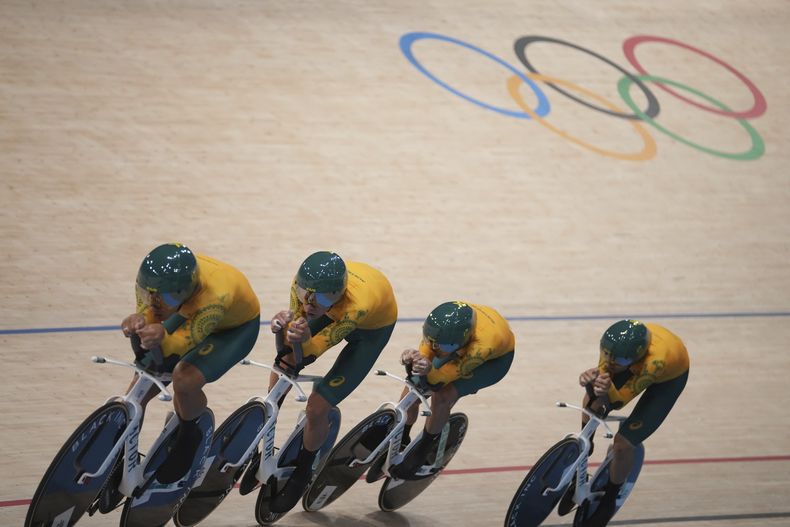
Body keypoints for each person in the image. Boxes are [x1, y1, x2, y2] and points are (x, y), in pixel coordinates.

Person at [268, 251, 398, 512]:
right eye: (305, 295)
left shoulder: (355, 307)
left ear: (337, 294)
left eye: (322, 298)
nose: (309, 303)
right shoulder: (305, 287)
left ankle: (303, 471)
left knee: (317, 407)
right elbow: (290, 345)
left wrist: (301, 338)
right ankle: (266, 427)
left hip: (372, 329)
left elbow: (312, 351)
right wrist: (283, 328)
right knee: (286, 360)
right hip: (340, 304)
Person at [121, 243, 261, 484]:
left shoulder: (216, 294)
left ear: (184, 291)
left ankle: (189, 437)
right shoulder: (157, 285)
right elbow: (151, 311)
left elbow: (181, 344)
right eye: (148, 294)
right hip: (187, 308)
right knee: (139, 388)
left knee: (184, 380)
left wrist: (161, 336)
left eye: (164, 297)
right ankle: (117, 455)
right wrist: (138, 321)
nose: (154, 301)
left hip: (232, 331)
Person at [574, 319, 689, 527]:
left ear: (637, 356)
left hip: (669, 379)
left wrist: (605, 388)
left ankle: (610, 499)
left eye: (619, 360)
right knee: (596, 396)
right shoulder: (614, 349)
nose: (611, 362)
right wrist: (593, 384)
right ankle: (585, 446)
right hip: (635, 359)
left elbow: (618, 402)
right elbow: (602, 386)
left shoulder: (654, 363)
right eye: (606, 354)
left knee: (622, 444)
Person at [389, 300, 515, 480]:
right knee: (415, 385)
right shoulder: (440, 328)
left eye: (443, 347)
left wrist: (428, 370)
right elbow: (429, 351)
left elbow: (438, 381)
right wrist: (416, 359)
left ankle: (424, 449)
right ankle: (402, 435)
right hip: (460, 341)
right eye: (433, 343)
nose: (436, 349)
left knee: (442, 395)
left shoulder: (483, 345)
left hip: (492, 363)